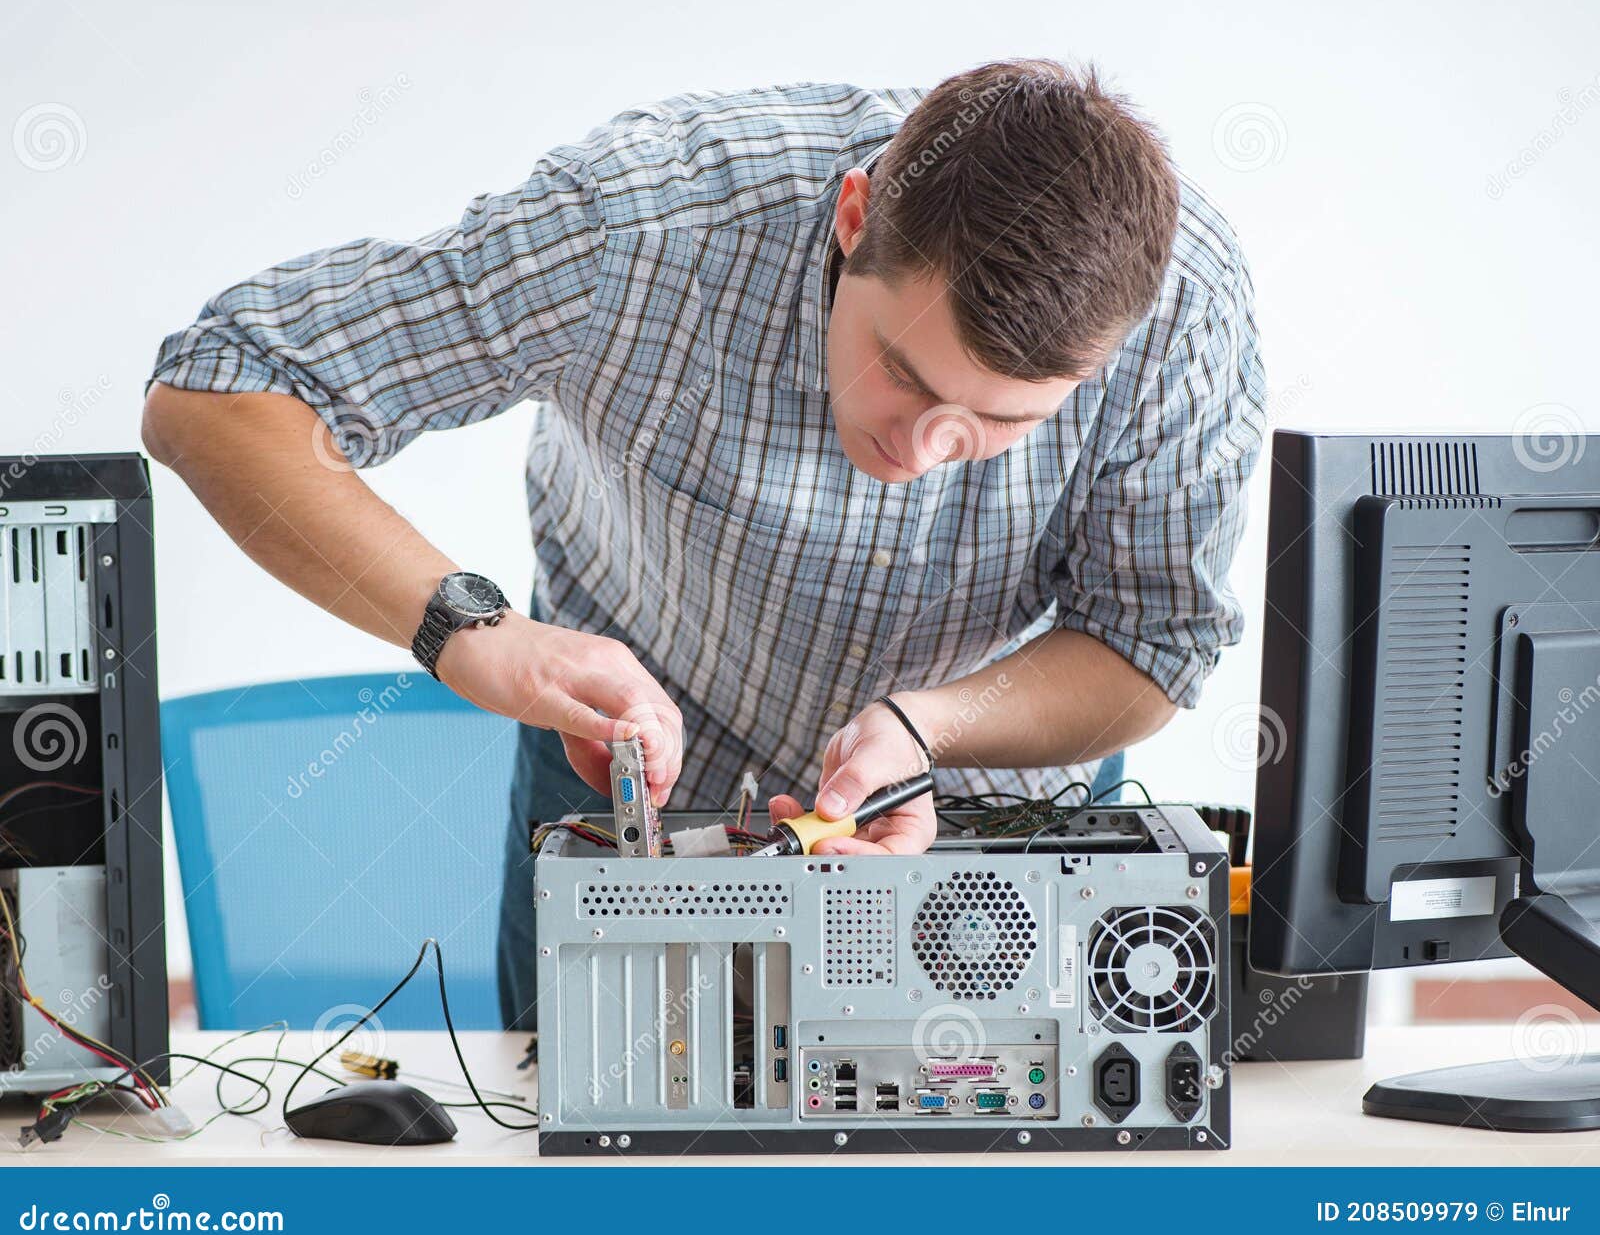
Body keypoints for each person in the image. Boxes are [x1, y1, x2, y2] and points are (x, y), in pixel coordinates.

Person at [143, 59, 1265, 1029]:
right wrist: (469, 631)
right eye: (904, 373)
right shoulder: (641, 225)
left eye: (1001, 421)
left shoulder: (1183, 314)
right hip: (636, 799)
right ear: (855, 217)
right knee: (587, 1172)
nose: (925, 450)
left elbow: (1148, 646)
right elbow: (218, 387)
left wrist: (926, 730)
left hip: (983, 830)